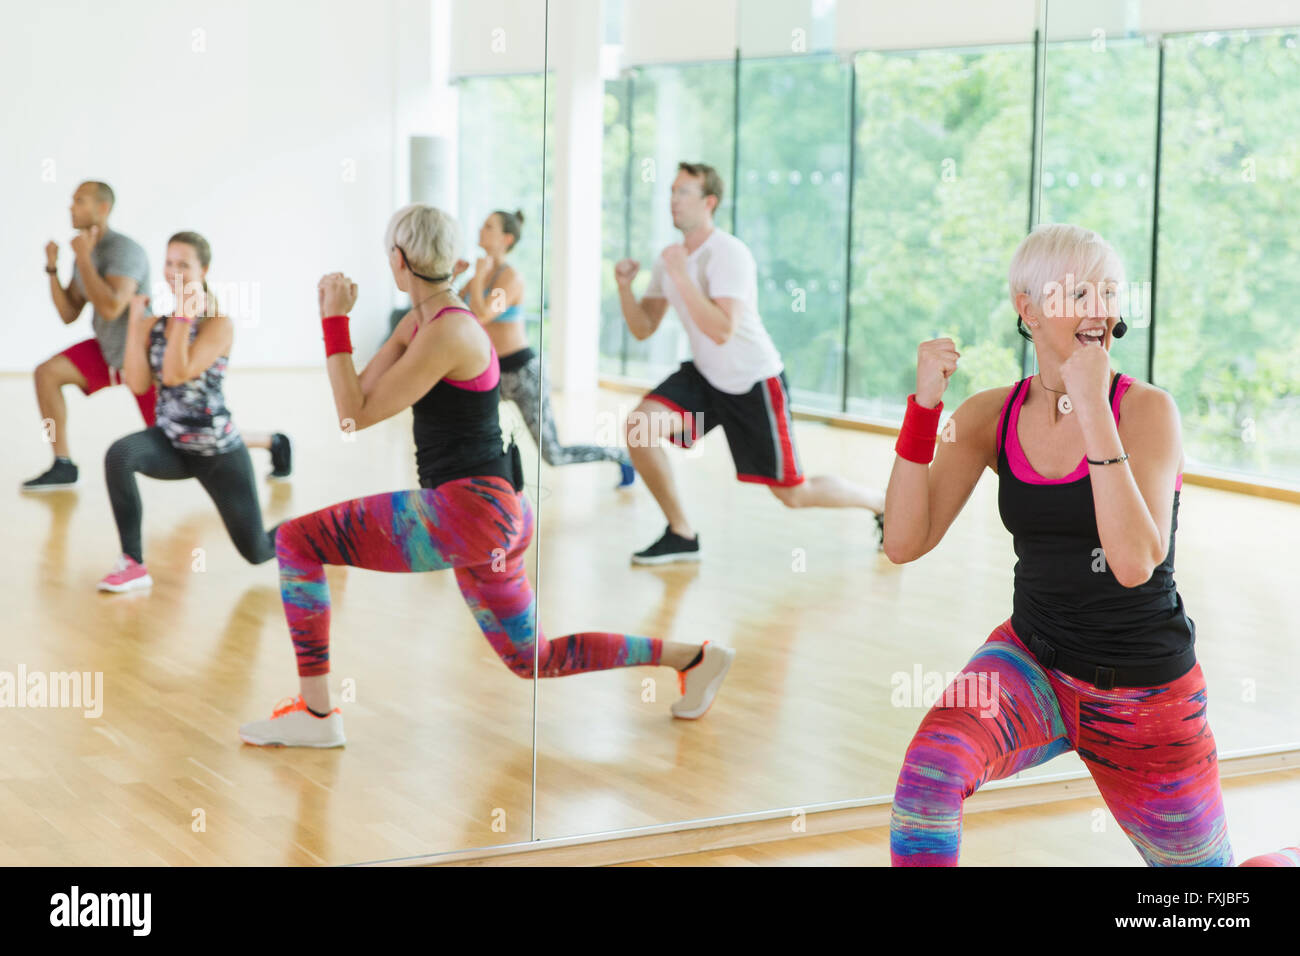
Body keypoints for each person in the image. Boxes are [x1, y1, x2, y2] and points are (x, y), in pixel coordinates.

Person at [238, 205, 734, 747]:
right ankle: (696, 659)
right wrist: (337, 329)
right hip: (492, 516)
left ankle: (315, 716)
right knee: (534, 658)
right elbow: (357, 397)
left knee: (296, 541)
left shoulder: (448, 331)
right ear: (451, 260)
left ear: (397, 261)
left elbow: (352, 415)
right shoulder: (420, 322)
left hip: (471, 513)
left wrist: (334, 320)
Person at [884, 222, 1298, 867]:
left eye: (1109, 292)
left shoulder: (1148, 411)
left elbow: (1134, 563)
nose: (1100, 309)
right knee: (929, 779)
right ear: (1028, 309)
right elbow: (905, 542)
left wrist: (1093, 408)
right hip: (1032, 662)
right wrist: (925, 409)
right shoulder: (990, 415)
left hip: (1145, 695)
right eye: (1079, 293)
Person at [614, 162, 885, 565]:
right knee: (639, 428)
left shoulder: (728, 253)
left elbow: (723, 329)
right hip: (706, 377)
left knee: (793, 494)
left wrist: (682, 276)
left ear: (709, 202)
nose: (673, 199)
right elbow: (643, 328)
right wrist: (624, 286)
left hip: (754, 381)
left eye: (683, 192)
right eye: (671, 190)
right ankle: (681, 533)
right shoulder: (669, 258)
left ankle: (880, 502)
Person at [98, 232, 285, 592]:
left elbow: (175, 373)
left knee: (257, 550)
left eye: (184, 264)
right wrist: (136, 328)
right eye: (169, 263)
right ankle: (133, 563)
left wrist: (183, 318)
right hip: (170, 442)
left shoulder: (218, 323)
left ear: (204, 269)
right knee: (119, 456)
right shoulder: (157, 323)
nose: (174, 271)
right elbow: (137, 383)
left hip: (216, 452)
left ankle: (317, 536)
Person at [452, 209, 634, 487]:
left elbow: (483, 314)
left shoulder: (510, 277)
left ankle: (619, 455)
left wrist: (477, 276)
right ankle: (484, 489)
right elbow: (454, 311)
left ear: (507, 238)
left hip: (524, 374)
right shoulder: (480, 275)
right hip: (492, 373)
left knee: (554, 454)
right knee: (469, 427)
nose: (480, 229)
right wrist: (455, 277)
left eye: (489, 226)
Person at [23, 182, 155, 491]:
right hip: (107, 352)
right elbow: (69, 313)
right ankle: (63, 465)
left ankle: (271, 443)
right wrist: (53, 268)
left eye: (79, 201)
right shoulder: (85, 252)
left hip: (141, 356)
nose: (71, 207)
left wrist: (83, 257)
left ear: (103, 208)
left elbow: (111, 307)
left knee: (183, 442)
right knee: (47, 373)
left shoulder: (124, 250)